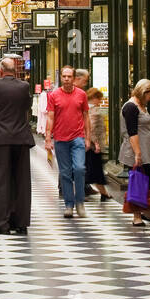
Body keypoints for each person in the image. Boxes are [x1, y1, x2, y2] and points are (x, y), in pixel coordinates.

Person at [0, 55, 34, 235]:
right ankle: (21, 224)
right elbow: (27, 105)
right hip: (21, 138)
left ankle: (2, 224)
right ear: (15, 71)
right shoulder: (24, 86)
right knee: (22, 182)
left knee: (3, 182)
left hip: (1, 138)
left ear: (1, 71)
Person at [46, 67, 91, 220]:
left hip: (77, 137)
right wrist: (47, 138)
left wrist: (88, 137)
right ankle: (69, 205)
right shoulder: (54, 95)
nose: (66, 79)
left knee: (79, 169)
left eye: (69, 76)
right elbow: (50, 117)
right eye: (64, 76)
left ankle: (80, 203)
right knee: (65, 173)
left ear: (73, 78)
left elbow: (86, 116)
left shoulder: (81, 95)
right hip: (60, 139)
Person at [119, 79, 150, 227]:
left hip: (148, 151)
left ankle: (147, 210)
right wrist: (138, 154)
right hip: (137, 150)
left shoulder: (142, 106)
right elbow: (132, 132)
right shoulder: (131, 107)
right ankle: (137, 215)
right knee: (138, 182)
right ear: (143, 92)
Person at [86, 88, 110, 201]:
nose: (100, 101)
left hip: (89, 145)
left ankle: (104, 193)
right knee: (95, 170)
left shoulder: (87, 109)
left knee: (95, 170)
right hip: (93, 146)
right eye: (99, 99)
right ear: (94, 98)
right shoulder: (93, 110)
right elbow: (92, 128)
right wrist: (96, 143)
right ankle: (103, 193)